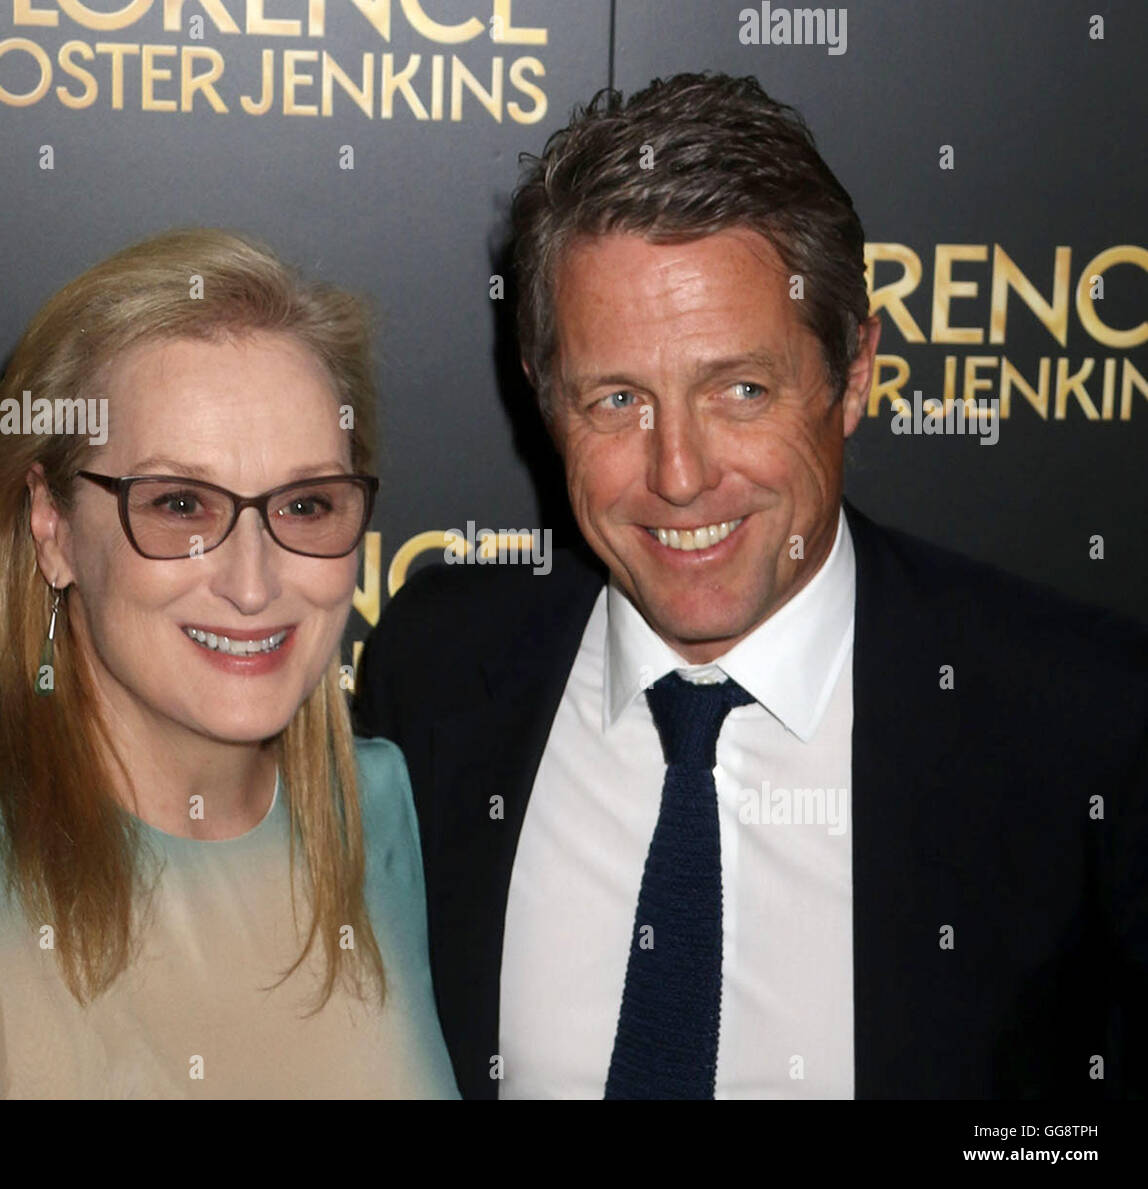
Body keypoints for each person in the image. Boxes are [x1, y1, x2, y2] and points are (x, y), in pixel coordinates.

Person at [355, 73, 1148, 1099]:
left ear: (854, 372)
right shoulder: (437, 670)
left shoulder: (1080, 721)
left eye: (741, 390)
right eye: (615, 399)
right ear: (543, 397)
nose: (679, 474)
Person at [0, 228, 458, 1099]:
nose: (254, 583)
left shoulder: (375, 811)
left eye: (307, 503)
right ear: (51, 528)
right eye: (179, 504)